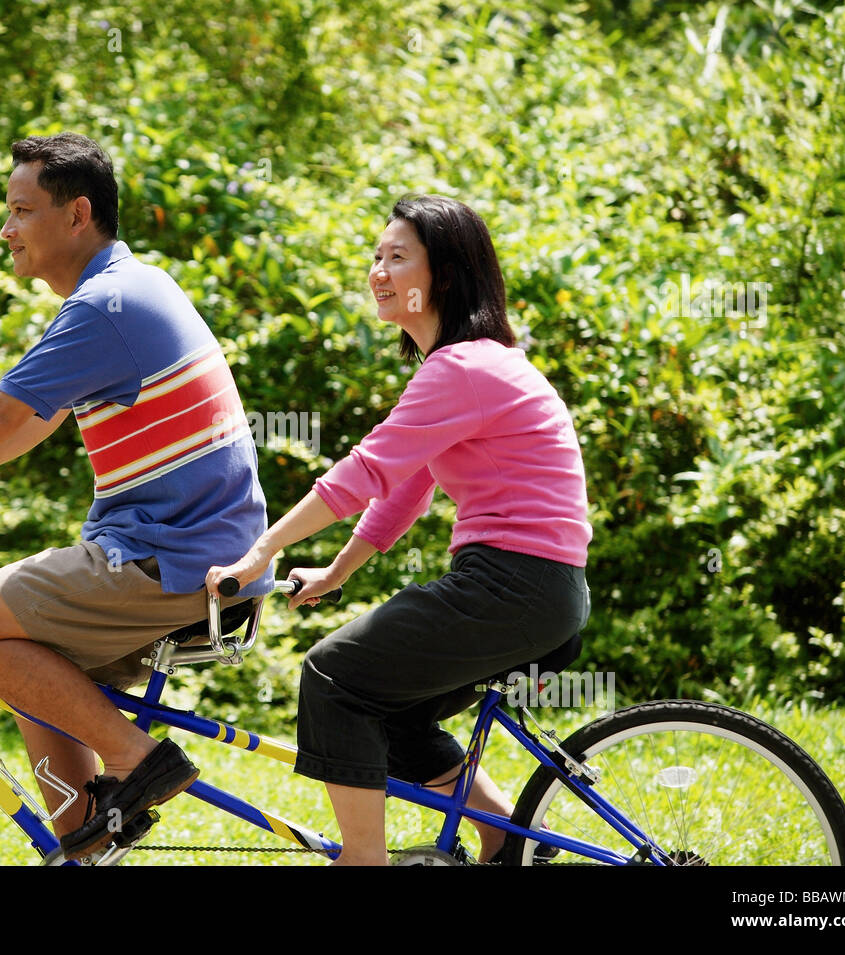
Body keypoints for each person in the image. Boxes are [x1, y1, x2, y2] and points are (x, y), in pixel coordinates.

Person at [0, 132, 272, 860]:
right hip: (191, 553)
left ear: (77, 215)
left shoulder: (105, 303)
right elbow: (29, 423)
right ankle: (87, 845)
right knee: (29, 658)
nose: (5, 230)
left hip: (175, 559)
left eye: (20, 210)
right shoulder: (130, 288)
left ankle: (139, 760)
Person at [207, 195, 592, 866]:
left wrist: (265, 547)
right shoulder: (470, 365)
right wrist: (336, 572)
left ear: (442, 274)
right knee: (388, 706)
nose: (379, 272)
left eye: (398, 258)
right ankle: (506, 839)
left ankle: (365, 860)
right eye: (376, 256)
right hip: (533, 588)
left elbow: (363, 471)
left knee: (333, 675)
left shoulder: (463, 368)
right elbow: (405, 488)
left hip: (513, 584)